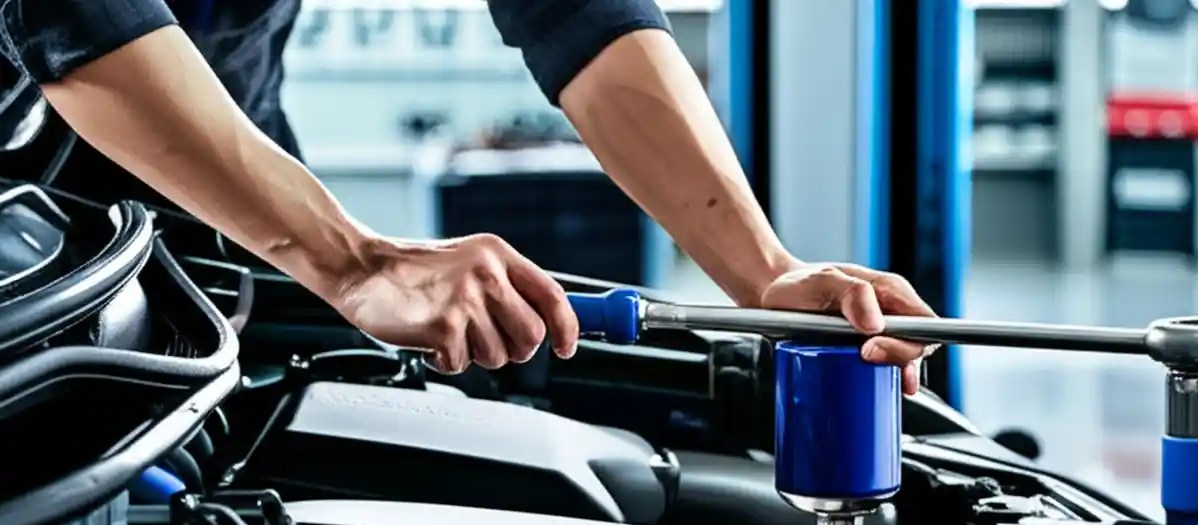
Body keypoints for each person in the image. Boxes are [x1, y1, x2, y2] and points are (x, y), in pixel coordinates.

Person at [0, 0, 937, 392]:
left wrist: (763, 273)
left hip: (221, 229)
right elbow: (80, 15)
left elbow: (581, 15)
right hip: (23, 251)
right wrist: (354, 262)